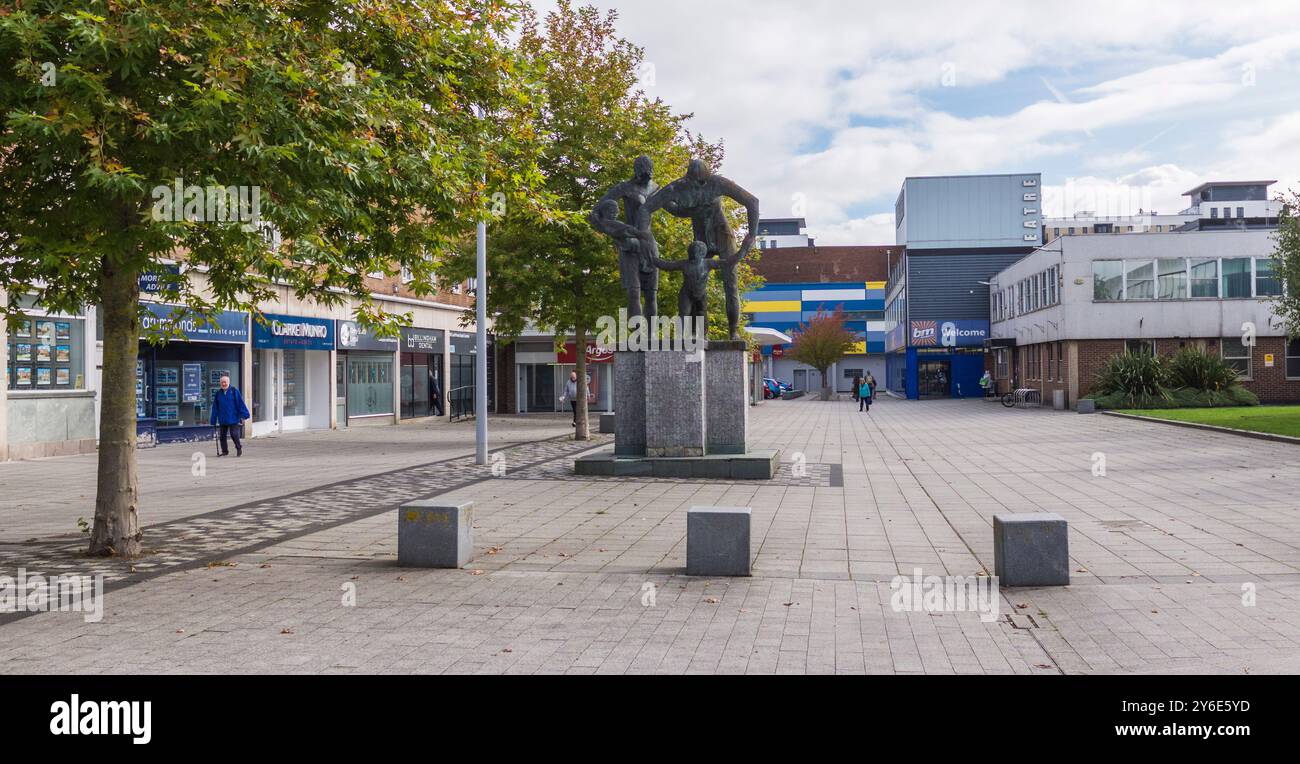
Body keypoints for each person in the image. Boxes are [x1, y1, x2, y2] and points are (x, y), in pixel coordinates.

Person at [210, 374, 250, 457]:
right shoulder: (218, 393)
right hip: (223, 418)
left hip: (233, 417)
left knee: (234, 434)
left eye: (225, 382)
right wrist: (213, 419)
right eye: (222, 382)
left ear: (228, 382)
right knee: (222, 437)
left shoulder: (234, 391)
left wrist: (245, 414)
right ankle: (225, 451)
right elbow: (215, 407)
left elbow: (240, 403)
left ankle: (238, 448)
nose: (223, 384)